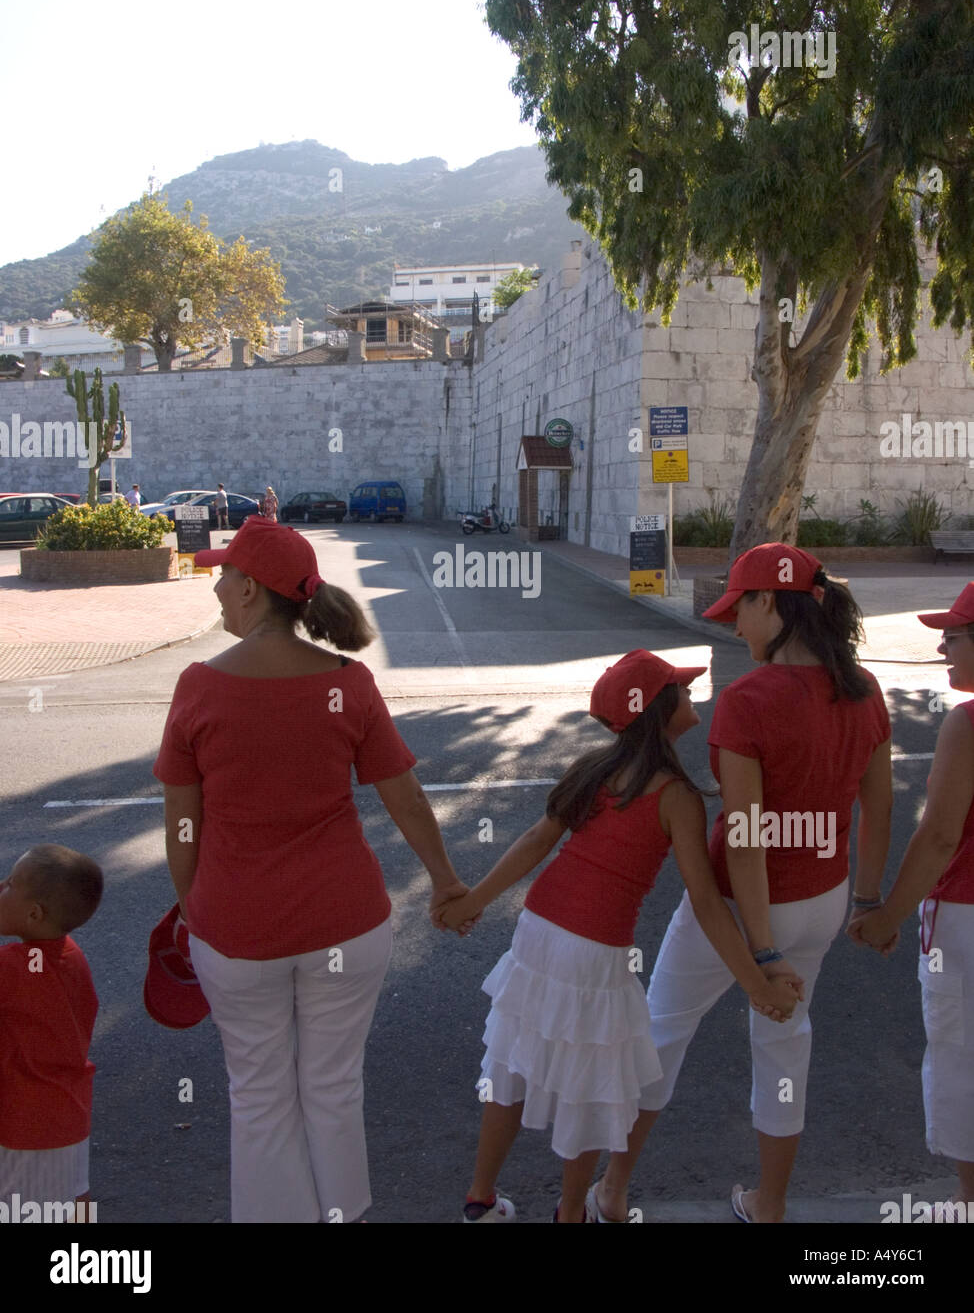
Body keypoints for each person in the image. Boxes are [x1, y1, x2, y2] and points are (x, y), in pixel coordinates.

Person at [153, 518, 469, 1223]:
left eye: (224, 574)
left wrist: (191, 906)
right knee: (333, 1087)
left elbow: (182, 824)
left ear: (252, 590)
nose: (216, 585)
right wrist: (447, 881)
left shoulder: (199, 687)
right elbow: (406, 797)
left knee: (259, 1093)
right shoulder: (348, 684)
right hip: (346, 926)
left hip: (235, 931)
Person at [438, 650, 799, 1224]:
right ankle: (571, 1214)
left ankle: (480, 1201)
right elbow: (705, 901)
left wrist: (472, 903)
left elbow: (538, 839)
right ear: (661, 709)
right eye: (681, 690)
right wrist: (756, 983)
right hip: (595, 950)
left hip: (538, 930)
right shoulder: (675, 795)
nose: (692, 696)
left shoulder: (595, 768)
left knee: (512, 1059)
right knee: (593, 1086)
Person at [589, 544, 893, 1224]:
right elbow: (881, 806)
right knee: (787, 1044)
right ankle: (770, 1204)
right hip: (825, 897)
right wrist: (868, 900)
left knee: (662, 1031)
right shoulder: (864, 687)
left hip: (740, 910)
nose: (732, 626)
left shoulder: (748, 699)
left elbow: (749, 838)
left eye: (739, 610)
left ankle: (611, 1191)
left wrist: (759, 951)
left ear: (770, 604)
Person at [852, 580, 974, 1208]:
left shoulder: (967, 720)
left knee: (960, 1065)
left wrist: (885, 916)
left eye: (953, 636)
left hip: (965, 921)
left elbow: (939, 837)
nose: (943, 649)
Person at [0, 843, 104, 1223]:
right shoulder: (71, 955)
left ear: (34, 913)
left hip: (25, 1121)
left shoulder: (13, 967)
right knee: (71, 1204)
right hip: (67, 1111)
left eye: (10, 883)